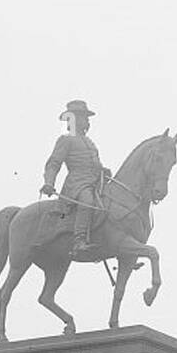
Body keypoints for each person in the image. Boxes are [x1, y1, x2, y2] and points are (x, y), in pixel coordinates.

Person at [40, 99, 110, 259]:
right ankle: (79, 241)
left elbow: (95, 163)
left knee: (112, 201)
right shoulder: (66, 140)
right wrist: (49, 183)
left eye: (87, 118)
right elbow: (53, 163)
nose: (87, 121)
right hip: (77, 184)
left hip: (95, 182)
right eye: (83, 118)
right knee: (87, 201)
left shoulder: (89, 142)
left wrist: (103, 170)